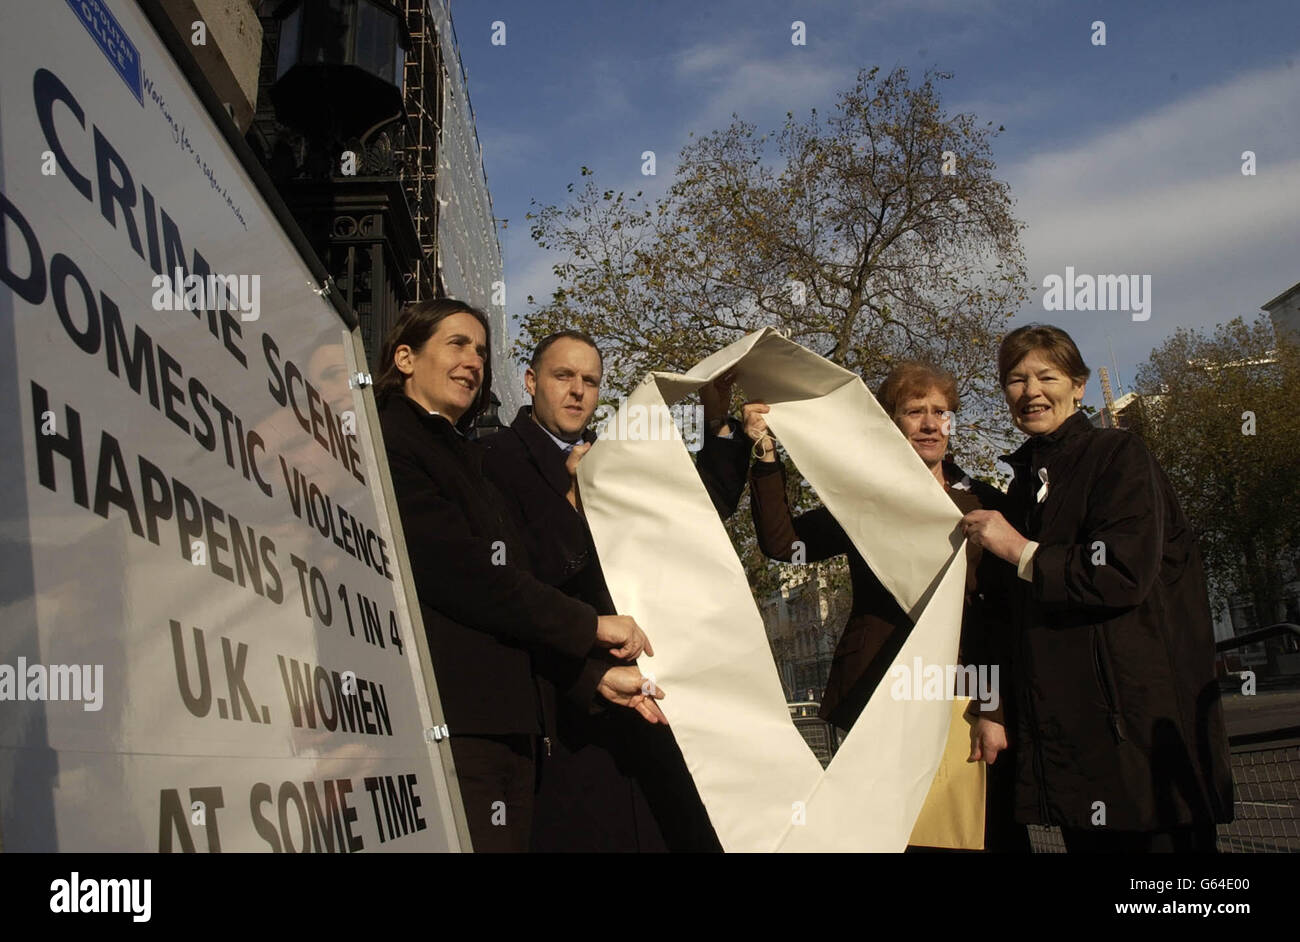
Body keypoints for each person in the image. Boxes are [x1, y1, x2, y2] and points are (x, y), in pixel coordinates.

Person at [375, 300, 664, 852]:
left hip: (514, 725)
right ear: (405, 357)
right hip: (455, 723)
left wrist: (591, 676)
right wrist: (591, 627)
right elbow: (473, 579)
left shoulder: (463, 455)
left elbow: (517, 584)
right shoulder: (396, 441)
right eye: (457, 344)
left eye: (481, 350)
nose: (474, 360)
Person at [960, 324, 1234, 852]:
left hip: (1136, 742)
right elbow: (1006, 615)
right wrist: (993, 709)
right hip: (1074, 747)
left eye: (1047, 376)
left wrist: (1020, 550)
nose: (1031, 391)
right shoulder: (1025, 484)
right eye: (1015, 380)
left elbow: (1121, 573)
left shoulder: (1118, 456)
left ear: (1079, 386)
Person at [482, 330, 751, 852]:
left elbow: (697, 514)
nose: (578, 391)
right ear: (531, 381)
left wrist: (719, 422)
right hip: (563, 710)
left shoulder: (612, 457)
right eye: (564, 376)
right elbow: (508, 589)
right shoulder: (493, 460)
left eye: (590, 381)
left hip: (645, 699)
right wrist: (574, 506)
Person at [743, 360, 1028, 852]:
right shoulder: (866, 500)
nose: (930, 423)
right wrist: (766, 452)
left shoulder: (983, 501)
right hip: (879, 694)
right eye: (914, 411)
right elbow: (783, 543)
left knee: (981, 832)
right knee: (897, 839)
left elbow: (998, 615)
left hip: (966, 696)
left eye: (941, 411)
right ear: (891, 423)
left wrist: (993, 709)